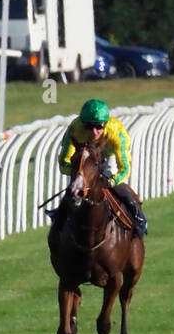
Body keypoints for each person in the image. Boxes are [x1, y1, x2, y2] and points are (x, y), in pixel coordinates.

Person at [53, 98, 148, 237]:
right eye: (89, 126)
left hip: (107, 157)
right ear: (82, 124)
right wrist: (81, 173)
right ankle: (58, 221)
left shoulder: (116, 132)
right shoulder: (75, 129)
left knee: (118, 188)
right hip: (86, 160)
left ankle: (138, 217)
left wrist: (113, 180)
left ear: (106, 124)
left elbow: (125, 168)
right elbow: (63, 163)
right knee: (74, 190)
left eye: (99, 126)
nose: (94, 131)